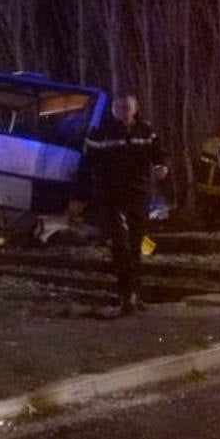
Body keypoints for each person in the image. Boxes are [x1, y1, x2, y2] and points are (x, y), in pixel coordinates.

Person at [73, 92, 169, 315]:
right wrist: (79, 197)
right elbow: (86, 165)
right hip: (110, 196)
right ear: (113, 109)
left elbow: (158, 154)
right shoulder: (101, 132)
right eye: (119, 107)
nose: (123, 112)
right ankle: (125, 295)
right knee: (120, 244)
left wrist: (162, 167)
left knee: (136, 246)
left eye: (127, 107)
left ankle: (135, 295)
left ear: (135, 108)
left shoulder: (146, 131)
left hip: (138, 195)